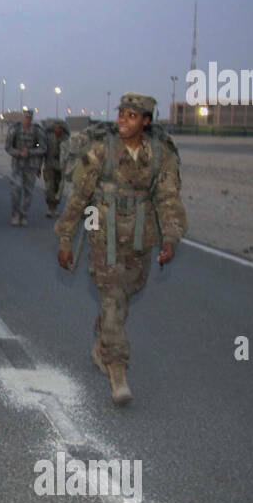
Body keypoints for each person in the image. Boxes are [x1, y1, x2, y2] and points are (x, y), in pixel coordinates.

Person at [54, 93, 187, 406]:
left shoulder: (160, 154)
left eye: (131, 116)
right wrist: (65, 238)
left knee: (124, 296)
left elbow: (168, 198)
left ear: (146, 121)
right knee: (113, 296)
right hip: (105, 235)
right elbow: (79, 196)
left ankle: (103, 343)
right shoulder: (103, 149)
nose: (123, 121)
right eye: (122, 114)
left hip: (141, 236)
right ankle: (118, 372)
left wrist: (171, 238)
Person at [4, 107, 46, 226]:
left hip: (31, 166)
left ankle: (24, 215)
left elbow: (43, 148)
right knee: (16, 189)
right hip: (17, 165)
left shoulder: (37, 130)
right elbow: (8, 147)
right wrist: (18, 153)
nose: (27, 120)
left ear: (32, 118)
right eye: (26, 117)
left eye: (29, 118)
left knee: (28, 192)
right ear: (22, 117)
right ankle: (15, 215)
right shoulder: (15, 129)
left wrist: (30, 152)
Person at [42, 117, 70, 217]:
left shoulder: (65, 139)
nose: (58, 130)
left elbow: (68, 153)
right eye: (56, 128)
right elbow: (43, 150)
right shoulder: (48, 137)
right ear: (54, 128)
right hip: (49, 165)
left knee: (58, 188)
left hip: (60, 166)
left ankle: (55, 207)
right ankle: (50, 208)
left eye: (60, 128)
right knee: (49, 187)